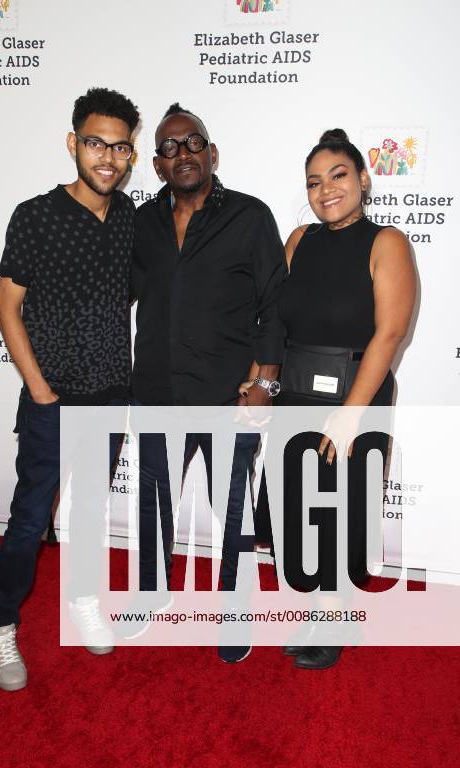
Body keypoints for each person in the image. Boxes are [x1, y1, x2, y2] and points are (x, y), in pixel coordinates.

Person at [241, 128, 416, 669]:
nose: (326, 190)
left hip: (356, 395)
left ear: (363, 179)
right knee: (301, 513)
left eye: (338, 176)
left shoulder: (387, 242)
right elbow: (274, 324)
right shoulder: (298, 240)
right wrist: (259, 384)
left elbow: (388, 335)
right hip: (296, 394)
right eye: (314, 182)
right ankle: (320, 609)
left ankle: (336, 617)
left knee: (341, 513)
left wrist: (349, 417)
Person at [0, 87, 139, 691]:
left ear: (130, 156)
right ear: (74, 143)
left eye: (121, 147)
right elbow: (8, 308)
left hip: (110, 392)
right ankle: (0, 627)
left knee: (94, 513)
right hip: (51, 398)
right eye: (97, 142)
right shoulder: (36, 215)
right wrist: (42, 390)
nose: (108, 157)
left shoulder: (129, 217)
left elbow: (121, 292)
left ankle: (83, 602)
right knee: (30, 516)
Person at [129, 103, 286, 662]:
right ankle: (152, 594)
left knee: (234, 515)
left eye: (193, 142)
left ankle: (234, 613)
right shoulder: (140, 225)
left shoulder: (249, 217)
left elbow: (275, 306)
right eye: (170, 147)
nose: (183, 153)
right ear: (157, 164)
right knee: (153, 505)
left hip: (227, 399)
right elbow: (112, 295)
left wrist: (265, 384)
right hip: (156, 396)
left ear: (212, 153)